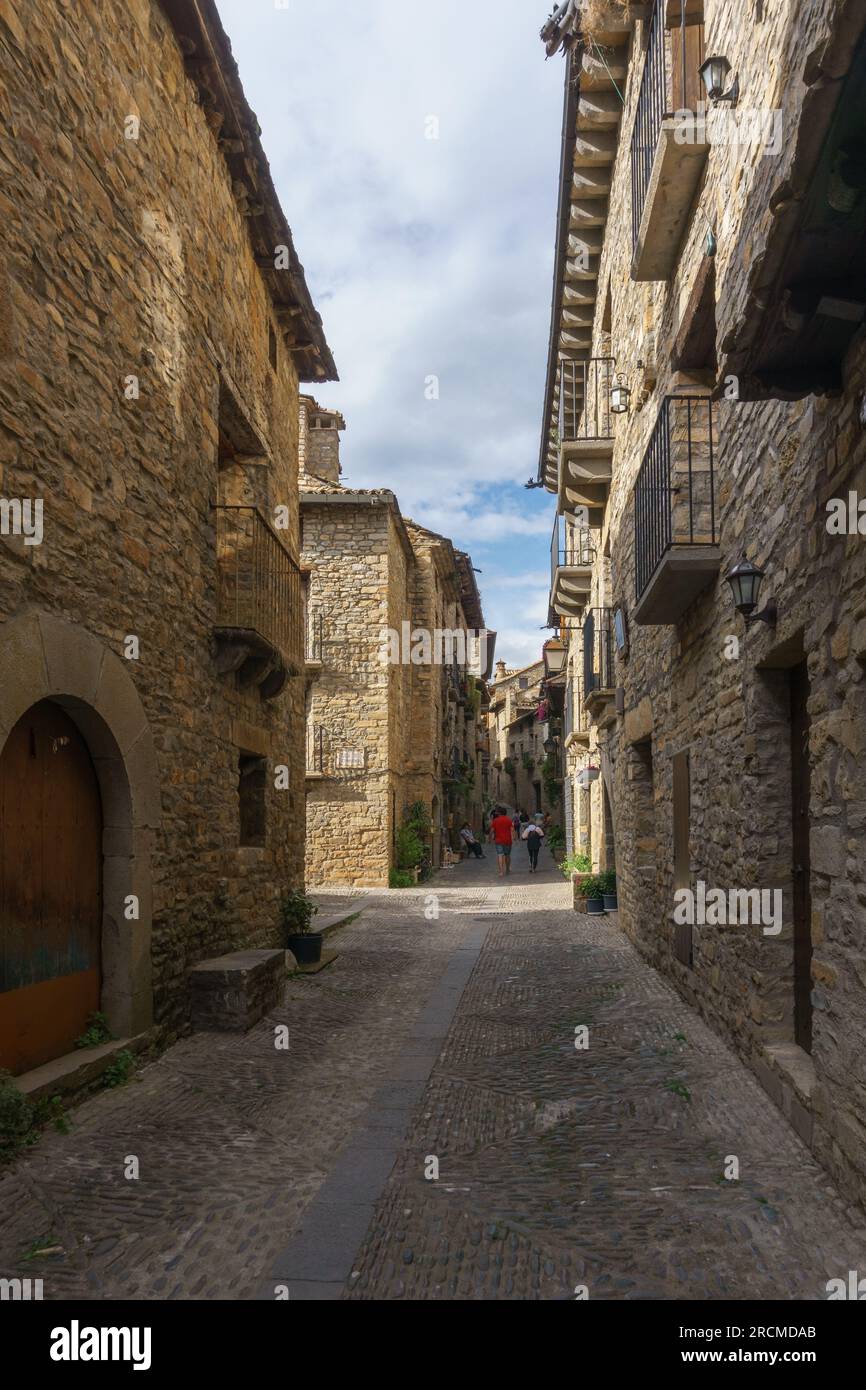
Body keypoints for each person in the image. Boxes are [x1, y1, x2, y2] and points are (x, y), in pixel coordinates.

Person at [490, 805, 515, 877]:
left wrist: (490, 839)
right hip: (508, 840)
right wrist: (514, 838)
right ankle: (507, 869)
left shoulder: (495, 820)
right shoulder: (509, 820)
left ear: (499, 813)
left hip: (498, 840)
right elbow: (512, 830)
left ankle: (501, 871)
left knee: (500, 855)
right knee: (507, 855)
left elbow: (492, 830)